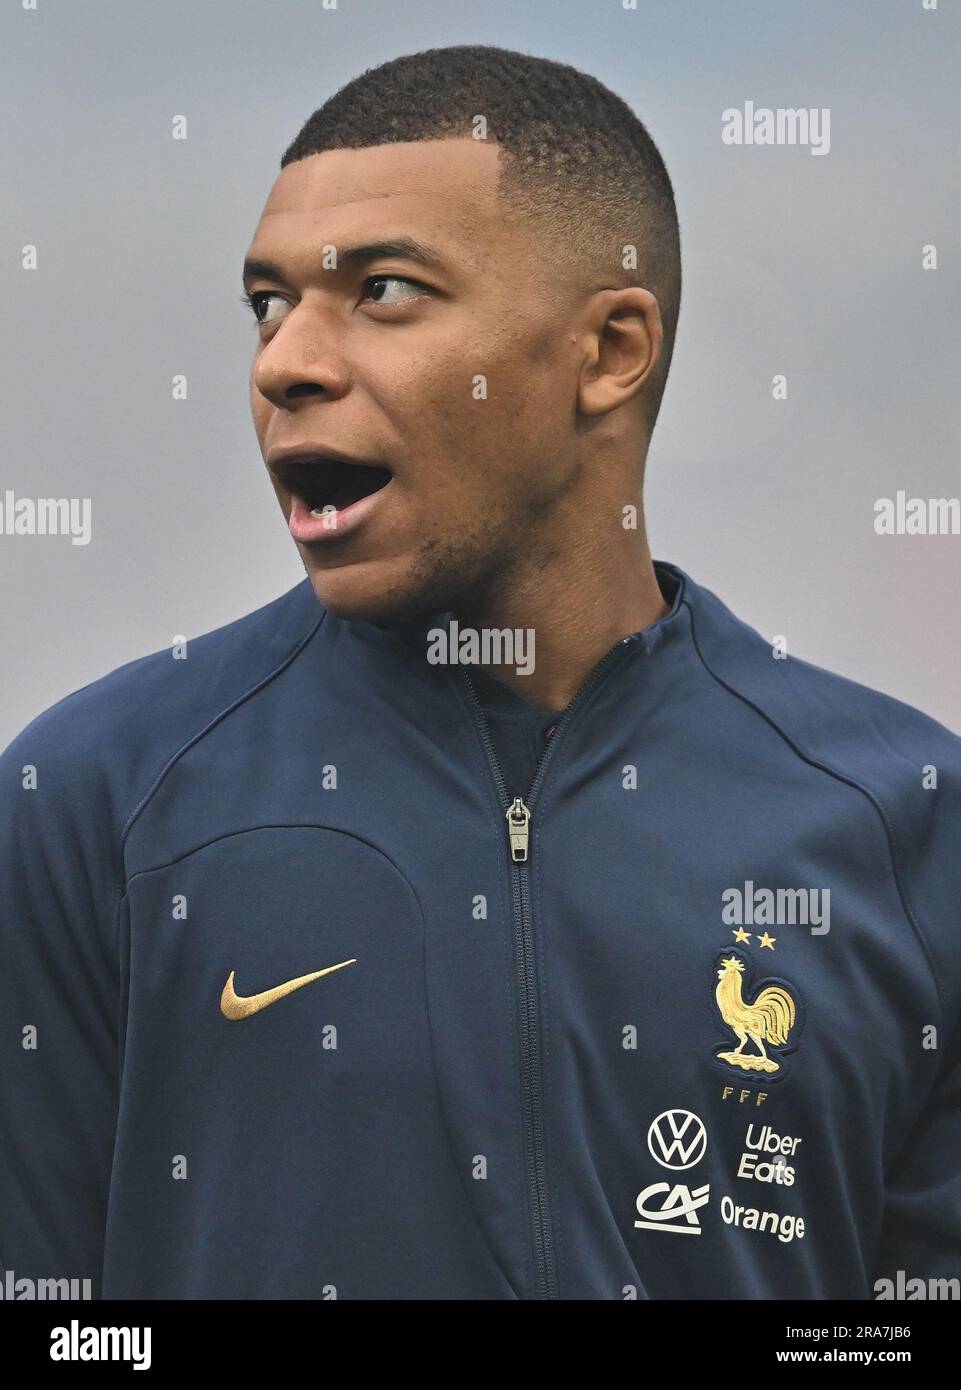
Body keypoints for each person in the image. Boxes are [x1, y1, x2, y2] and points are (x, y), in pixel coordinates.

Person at [1, 44, 958, 1302]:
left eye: (384, 291)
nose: (284, 361)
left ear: (609, 351)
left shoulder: (905, 822)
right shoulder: (92, 802)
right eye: (267, 303)